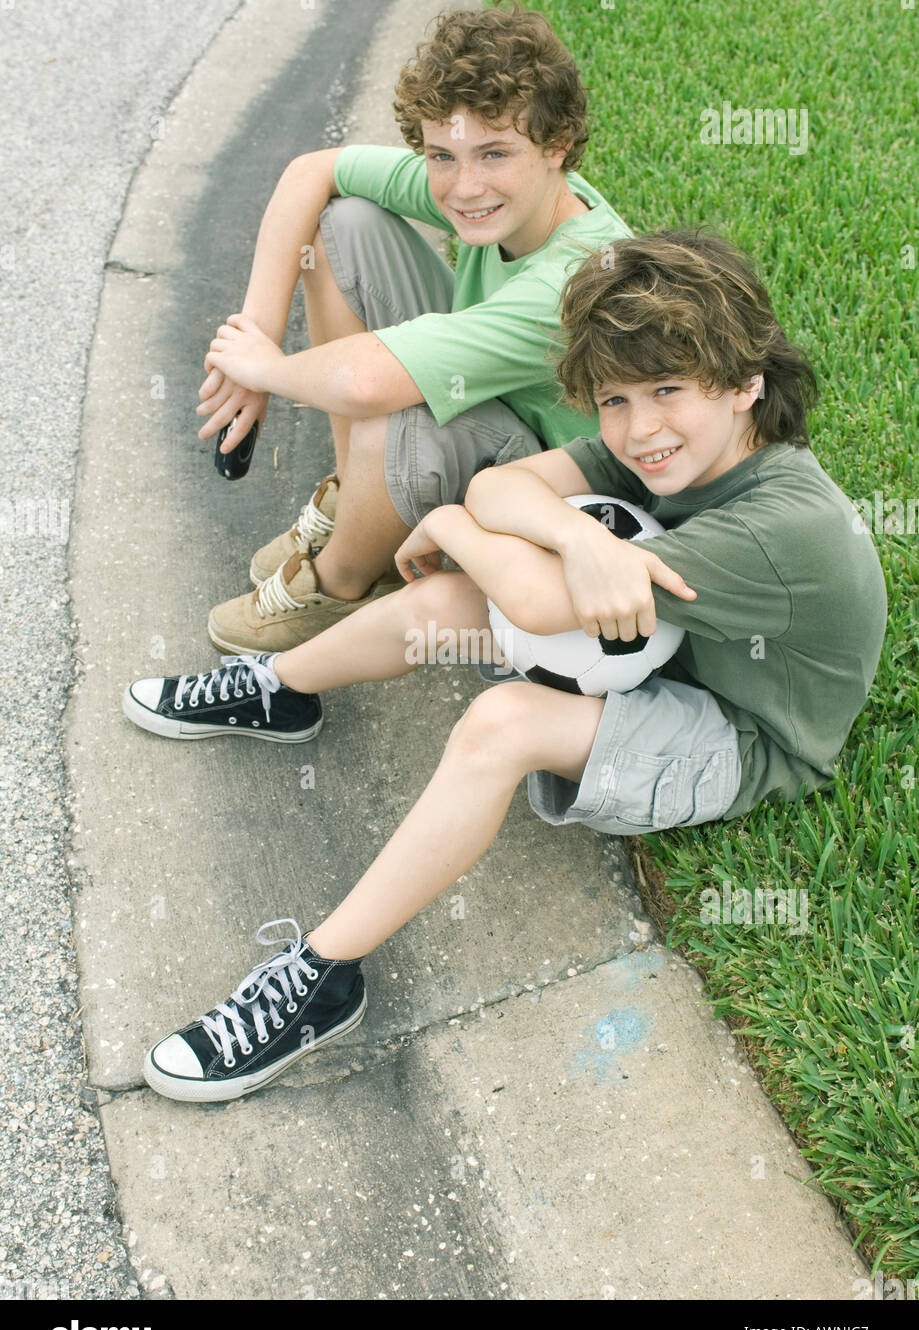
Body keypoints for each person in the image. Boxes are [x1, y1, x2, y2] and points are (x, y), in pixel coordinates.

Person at [123, 227, 887, 1103]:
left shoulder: (778, 527)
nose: (639, 431)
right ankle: (280, 691)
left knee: (502, 721)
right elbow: (501, 486)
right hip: (671, 657)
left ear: (748, 383)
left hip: (742, 734)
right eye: (612, 401)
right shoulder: (672, 451)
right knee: (451, 602)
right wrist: (565, 534)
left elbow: (526, 598)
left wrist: (448, 529)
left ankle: (321, 979)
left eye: (668, 391)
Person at [196, 1, 632, 657]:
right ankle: (361, 500)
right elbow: (312, 172)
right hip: (497, 407)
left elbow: (368, 380)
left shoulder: (571, 283)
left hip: (558, 493)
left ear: (556, 147)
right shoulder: (498, 188)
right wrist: (253, 332)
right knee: (341, 223)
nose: (462, 187)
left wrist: (264, 369)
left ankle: (342, 584)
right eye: (440, 155)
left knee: (395, 396)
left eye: (492, 153)